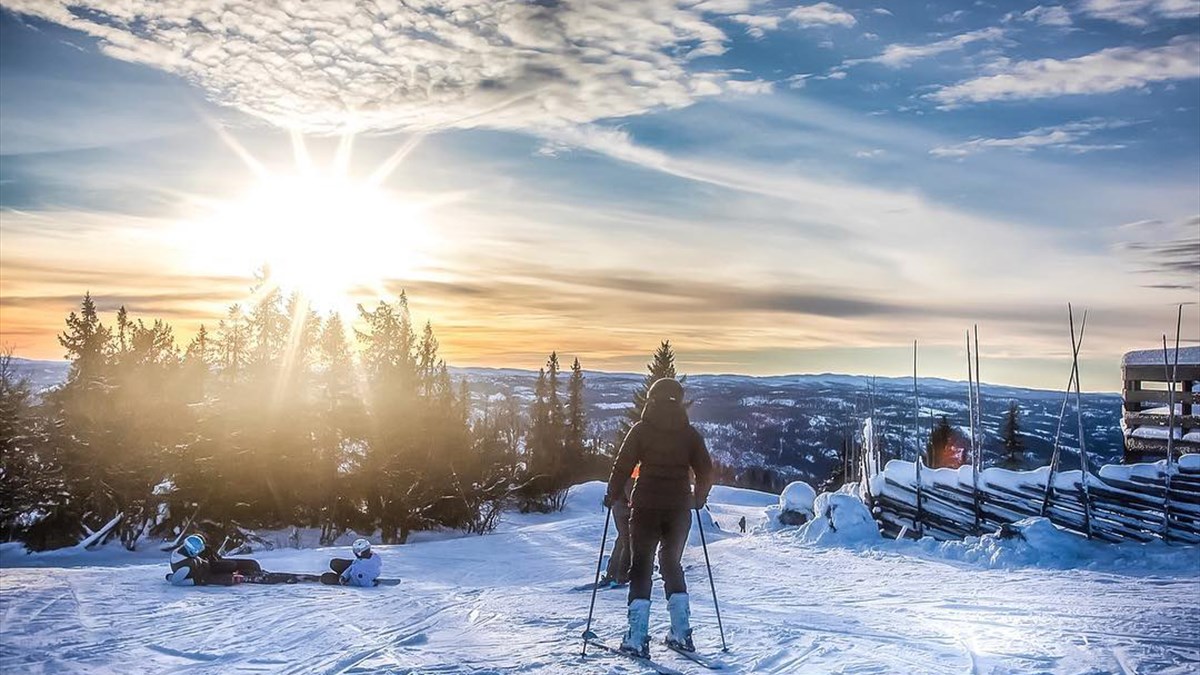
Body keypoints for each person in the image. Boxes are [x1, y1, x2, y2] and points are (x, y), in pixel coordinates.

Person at [605, 377, 712, 658]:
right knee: (671, 562)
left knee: (641, 566)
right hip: (679, 508)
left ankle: (637, 637)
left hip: (645, 508)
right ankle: (681, 632)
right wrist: (698, 498)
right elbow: (706, 471)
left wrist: (612, 493)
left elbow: (622, 464)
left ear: (651, 399)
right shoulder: (690, 435)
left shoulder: (641, 430)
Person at [167, 534, 263, 586]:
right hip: (202, 573)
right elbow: (176, 582)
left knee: (238, 564)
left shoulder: (186, 550)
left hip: (204, 565)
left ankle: (251, 567)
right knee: (229, 571)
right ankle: (242, 574)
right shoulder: (185, 565)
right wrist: (197, 581)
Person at [601, 466, 637, 587]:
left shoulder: (618, 471)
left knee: (622, 540)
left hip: (618, 508)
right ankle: (622, 575)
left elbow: (613, 488)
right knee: (628, 542)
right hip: (625, 510)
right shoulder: (632, 470)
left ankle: (612, 572)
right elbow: (631, 494)